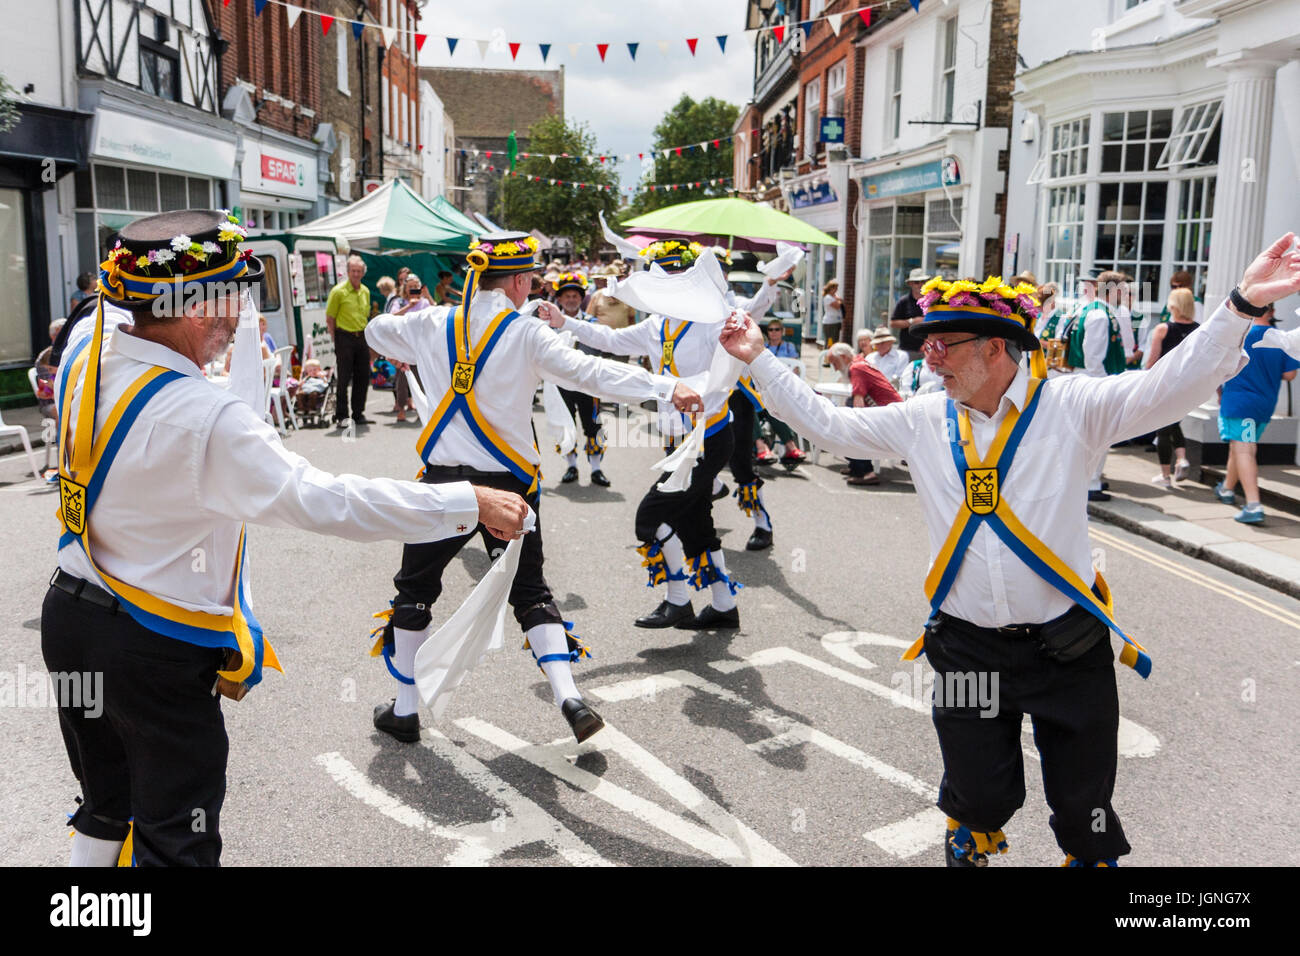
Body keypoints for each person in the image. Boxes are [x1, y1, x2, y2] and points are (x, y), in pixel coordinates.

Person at [719, 233, 1300, 867]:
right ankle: (970, 842)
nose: (929, 357)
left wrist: (1240, 304)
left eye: (944, 345)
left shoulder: (1073, 407)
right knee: (975, 792)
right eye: (926, 343)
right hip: (967, 645)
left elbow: (1169, 386)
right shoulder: (922, 418)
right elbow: (831, 427)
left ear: (996, 348)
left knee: (1085, 805)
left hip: (1068, 647)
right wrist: (757, 359)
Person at [43, 209, 530, 867]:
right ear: (196, 307)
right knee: (175, 837)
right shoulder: (206, 419)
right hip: (149, 652)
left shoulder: (85, 356)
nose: (241, 316)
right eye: (233, 296)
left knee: (105, 804)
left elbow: (101, 316)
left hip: (69, 620)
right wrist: (464, 500)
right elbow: (326, 501)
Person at [365, 232, 701, 744]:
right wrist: (662, 387)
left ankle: (407, 709)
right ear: (520, 281)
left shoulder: (431, 323)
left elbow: (374, 331)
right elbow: (590, 373)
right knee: (530, 591)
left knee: (415, 588)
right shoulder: (527, 334)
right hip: (509, 485)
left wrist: (413, 309)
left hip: (443, 484)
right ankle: (568, 695)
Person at [548, 239, 753, 630]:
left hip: (707, 438)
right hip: (678, 440)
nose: (667, 284)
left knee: (649, 517)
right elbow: (611, 340)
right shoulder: (658, 323)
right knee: (697, 522)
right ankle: (724, 605)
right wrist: (564, 322)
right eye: (661, 277)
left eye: (675, 276)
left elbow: (728, 373)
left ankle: (677, 598)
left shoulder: (714, 321)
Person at [1216, 302, 1300, 523]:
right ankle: (1226, 489)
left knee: (1244, 449)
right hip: (1264, 404)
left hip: (1240, 402)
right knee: (1240, 445)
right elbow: (1290, 374)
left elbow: (1218, 366)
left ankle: (1253, 505)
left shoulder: (1240, 336)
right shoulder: (1281, 338)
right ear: (1272, 313)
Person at [1068, 269, 1128, 500]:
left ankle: (1092, 479)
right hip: (1095, 382)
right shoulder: (1100, 316)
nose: (1125, 294)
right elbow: (1093, 357)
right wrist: (1105, 386)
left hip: (1090, 380)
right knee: (1098, 434)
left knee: (1096, 434)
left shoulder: (1093, 311)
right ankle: (1090, 483)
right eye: (1122, 290)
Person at [550, 271, 612, 487]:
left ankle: (596, 469)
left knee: (593, 426)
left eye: (575, 296)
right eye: (566, 296)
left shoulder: (591, 323)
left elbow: (604, 347)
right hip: (561, 384)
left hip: (587, 384)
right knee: (565, 426)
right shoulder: (549, 326)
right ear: (559, 299)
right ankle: (571, 466)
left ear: (581, 298)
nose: (571, 300)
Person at [1144, 288, 1199, 488]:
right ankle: (1182, 459)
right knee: (1173, 422)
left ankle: (1165, 476)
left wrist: (1144, 377)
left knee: (1163, 429)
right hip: (1187, 385)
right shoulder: (1198, 330)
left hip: (1165, 384)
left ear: (1174, 306)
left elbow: (1153, 360)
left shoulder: (1163, 329)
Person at [836, 342, 902, 486]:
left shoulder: (856, 367)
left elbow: (858, 403)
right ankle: (855, 466)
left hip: (889, 417)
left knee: (853, 428)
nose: (835, 368)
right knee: (848, 413)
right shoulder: (860, 362)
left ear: (843, 357)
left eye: (835, 362)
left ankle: (865, 473)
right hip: (890, 412)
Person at [325, 254, 373, 427]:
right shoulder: (338, 291)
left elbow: (366, 315)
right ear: (348, 272)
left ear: (363, 273)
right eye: (353, 271)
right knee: (344, 378)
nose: (356, 274)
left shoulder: (366, 291)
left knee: (363, 376)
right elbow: (330, 318)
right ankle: (342, 415)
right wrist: (335, 338)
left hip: (361, 336)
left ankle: (358, 413)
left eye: (359, 271)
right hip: (344, 336)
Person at [890, 268, 929, 336]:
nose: (920, 285)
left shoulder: (932, 300)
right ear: (910, 284)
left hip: (928, 344)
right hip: (907, 345)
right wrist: (912, 321)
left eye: (923, 281)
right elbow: (893, 323)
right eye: (916, 282)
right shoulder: (903, 301)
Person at [821, 279, 843, 348]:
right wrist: (839, 301)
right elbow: (837, 306)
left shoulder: (833, 297)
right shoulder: (828, 297)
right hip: (830, 323)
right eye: (836, 288)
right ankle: (827, 356)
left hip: (835, 321)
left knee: (834, 341)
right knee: (830, 341)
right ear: (831, 288)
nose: (836, 290)